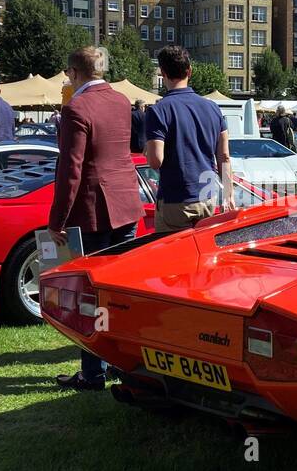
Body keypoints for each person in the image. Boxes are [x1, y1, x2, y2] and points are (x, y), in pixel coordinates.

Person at [48, 47, 143, 392]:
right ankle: (119, 363)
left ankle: (93, 371)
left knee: (91, 293)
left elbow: (70, 170)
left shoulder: (76, 107)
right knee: (118, 292)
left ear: (74, 73)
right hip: (125, 202)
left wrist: (56, 220)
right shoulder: (120, 100)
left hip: (95, 209)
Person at [145, 46, 231, 233]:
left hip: (175, 199)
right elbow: (224, 156)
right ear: (189, 71)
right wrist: (228, 194)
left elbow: (155, 161)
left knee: (174, 259)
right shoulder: (213, 108)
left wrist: (147, 149)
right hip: (207, 196)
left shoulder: (158, 111)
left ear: (163, 73)